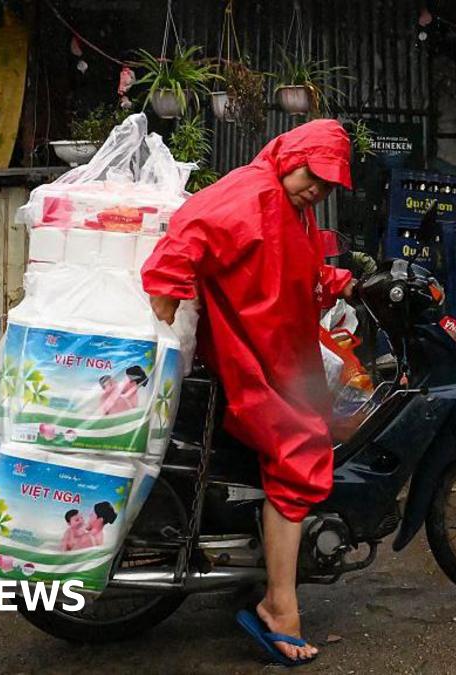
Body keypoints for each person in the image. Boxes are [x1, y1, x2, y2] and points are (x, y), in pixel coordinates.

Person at [141, 119, 354, 665]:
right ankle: (280, 605)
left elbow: (289, 271)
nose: (318, 189)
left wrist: (340, 281)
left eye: (328, 185)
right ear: (292, 155)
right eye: (315, 174)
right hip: (253, 362)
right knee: (300, 452)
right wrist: (158, 330)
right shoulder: (253, 191)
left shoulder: (291, 208)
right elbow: (188, 234)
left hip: (280, 356)